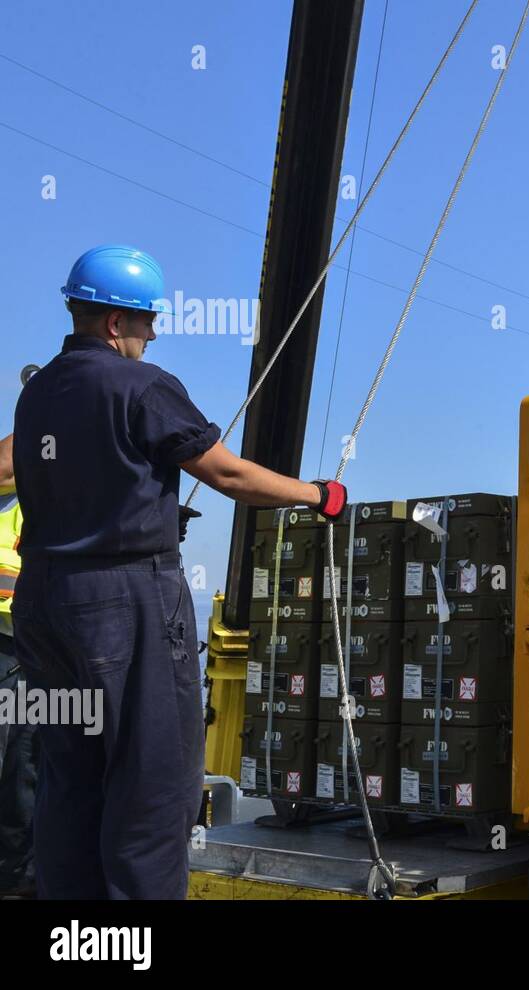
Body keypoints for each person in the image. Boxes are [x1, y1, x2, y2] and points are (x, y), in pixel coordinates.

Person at [11, 244, 348, 900]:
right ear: (115, 323)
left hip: (44, 603)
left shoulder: (39, 393)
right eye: (146, 321)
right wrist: (318, 495)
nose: (155, 333)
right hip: (125, 603)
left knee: (70, 777)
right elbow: (226, 473)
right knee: (151, 783)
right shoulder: (143, 384)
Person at [0, 428, 36, 896]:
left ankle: (17, 881)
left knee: (25, 772)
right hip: (5, 639)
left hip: (38, 644)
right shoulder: (18, 465)